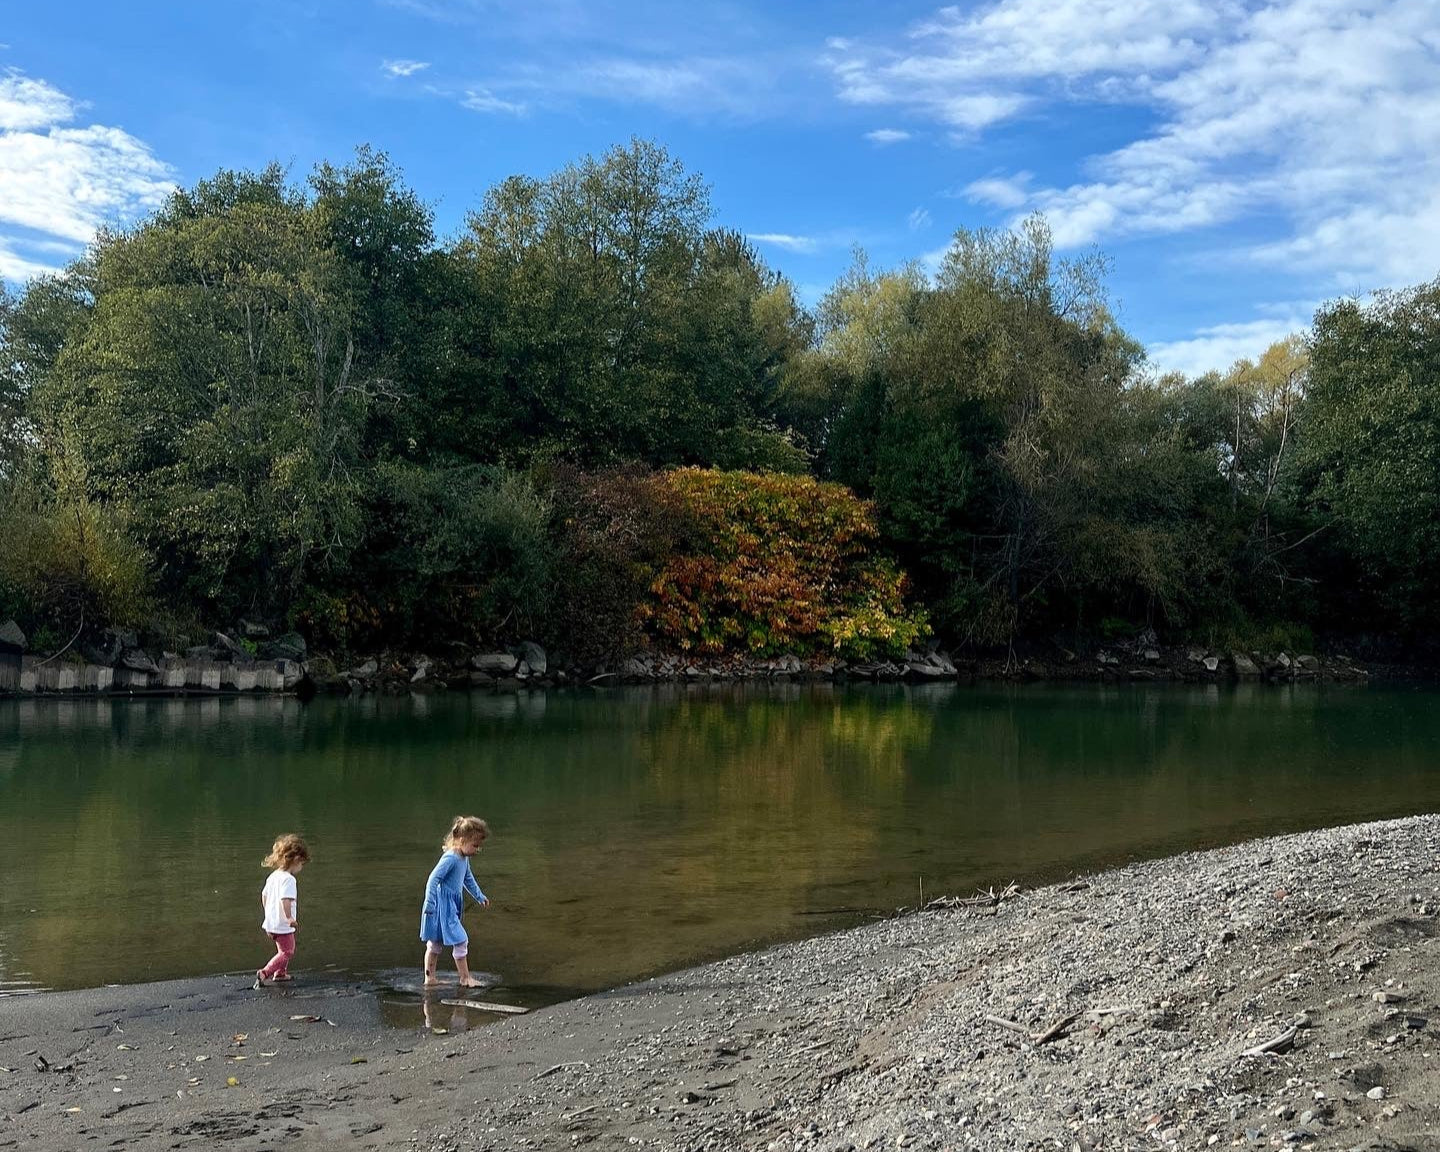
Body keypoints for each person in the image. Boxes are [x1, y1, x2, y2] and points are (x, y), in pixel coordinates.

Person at [420, 815, 490, 987]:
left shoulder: (463, 859)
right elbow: (433, 879)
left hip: (450, 906)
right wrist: (430, 902)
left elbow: (468, 879)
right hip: (440, 905)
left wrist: (479, 895)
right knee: (460, 940)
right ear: (460, 840)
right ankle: (464, 978)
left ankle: (431, 979)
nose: (477, 850)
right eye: (475, 845)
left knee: (436, 943)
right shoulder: (451, 858)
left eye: (479, 847)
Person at [255, 833, 309, 988]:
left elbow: (264, 896)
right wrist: (289, 917)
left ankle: (280, 974)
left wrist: (268, 913)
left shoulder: (273, 876)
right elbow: (286, 899)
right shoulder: (289, 879)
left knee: (282, 949)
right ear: (297, 860)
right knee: (288, 951)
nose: (301, 868)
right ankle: (265, 972)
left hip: (271, 922)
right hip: (282, 924)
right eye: (302, 864)